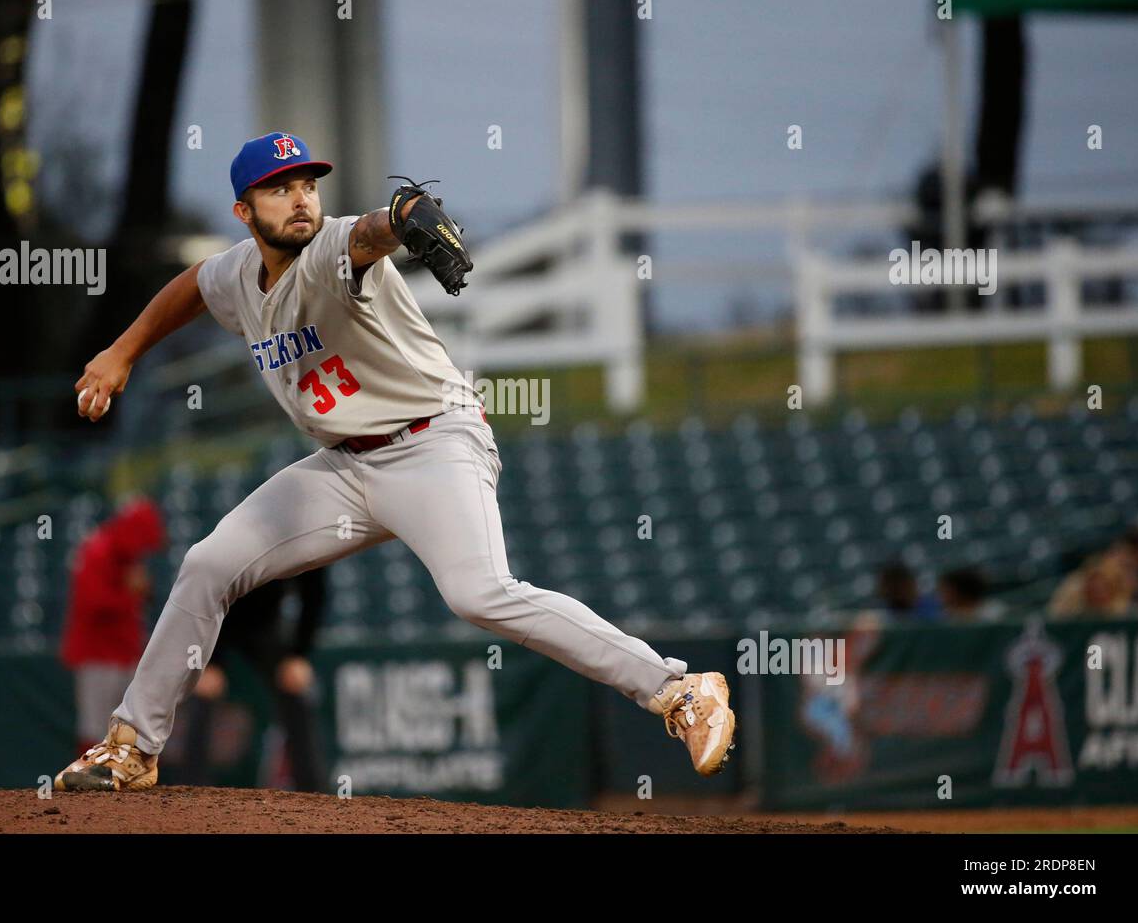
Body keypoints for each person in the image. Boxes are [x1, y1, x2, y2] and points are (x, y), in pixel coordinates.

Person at [54, 132, 733, 792]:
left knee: (479, 593)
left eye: (307, 184)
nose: (300, 199)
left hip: (434, 444)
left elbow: (368, 233)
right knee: (207, 563)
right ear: (244, 212)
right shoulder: (237, 272)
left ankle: (679, 690)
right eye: (278, 188)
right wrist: (122, 352)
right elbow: (191, 289)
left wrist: (405, 216)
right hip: (345, 468)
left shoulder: (328, 250)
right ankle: (132, 748)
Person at [175, 571, 327, 791]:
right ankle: (189, 786)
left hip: (264, 623)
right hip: (216, 623)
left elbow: (314, 593)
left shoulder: (302, 542)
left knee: (294, 685)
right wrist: (211, 661)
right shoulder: (227, 540)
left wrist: (298, 655)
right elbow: (205, 592)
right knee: (203, 689)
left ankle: (313, 789)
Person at [59, 497, 167, 759]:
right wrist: (132, 594)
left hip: (125, 652)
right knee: (94, 727)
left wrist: (141, 592)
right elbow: (91, 604)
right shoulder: (96, 550)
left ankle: (122, 781)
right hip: (98, 655)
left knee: (131, 727)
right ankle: (86, 785)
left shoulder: (129, 557)